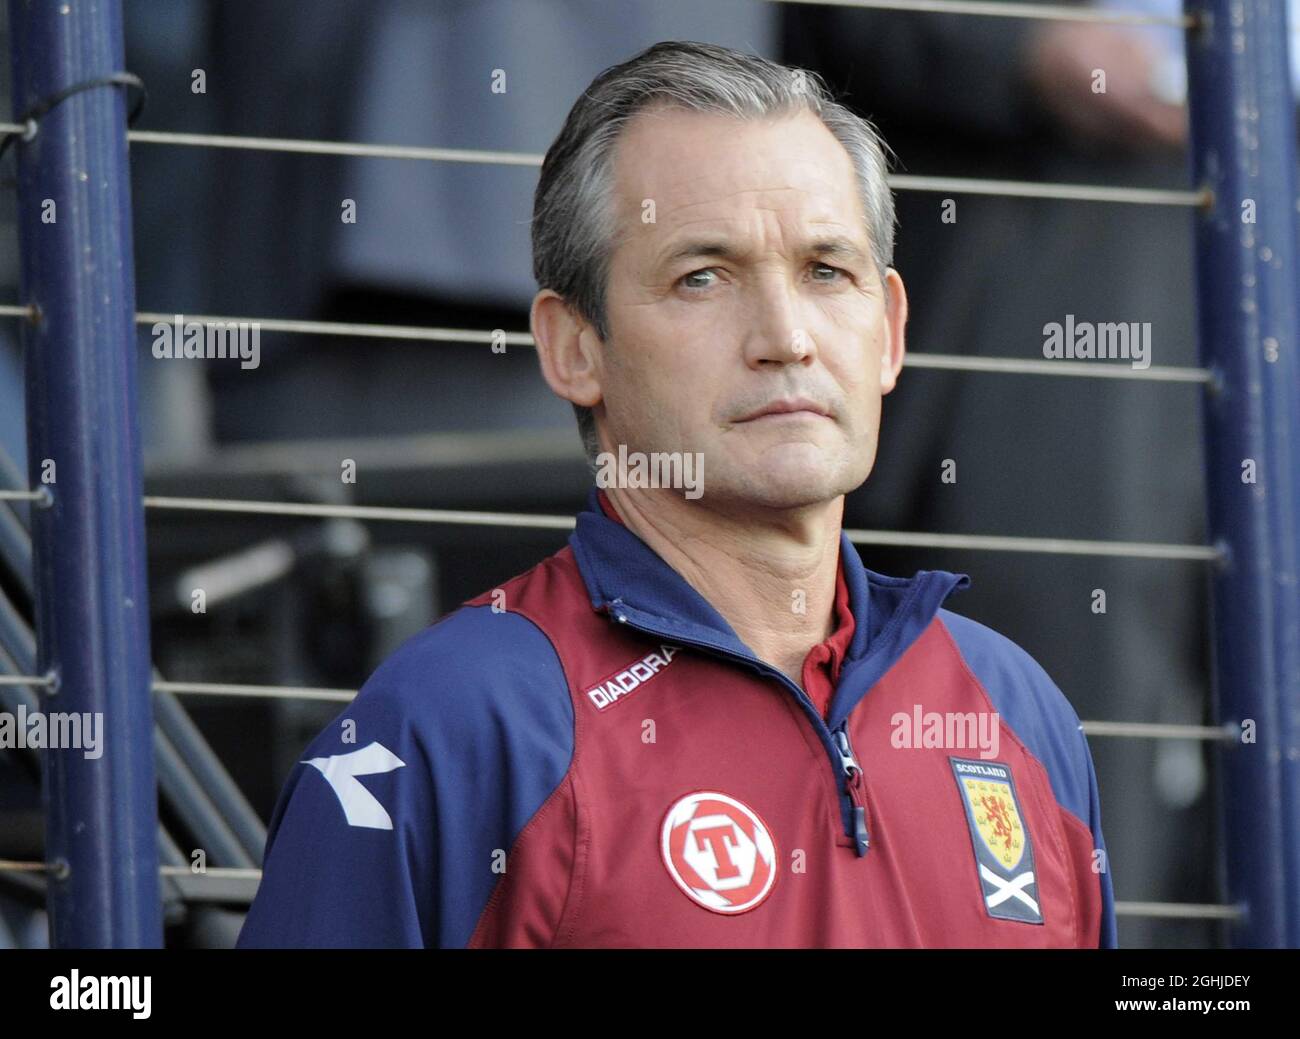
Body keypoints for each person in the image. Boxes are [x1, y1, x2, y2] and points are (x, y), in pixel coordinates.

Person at [237, 40, 1116, 948]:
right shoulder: (452, 728)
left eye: (826, 271)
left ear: (889, 331)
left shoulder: (1016, 710)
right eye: (703, 276)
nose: (785, 338)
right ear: (574, 348)